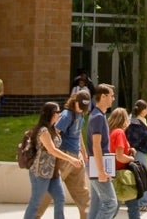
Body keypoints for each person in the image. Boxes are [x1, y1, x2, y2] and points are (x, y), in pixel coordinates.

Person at [36, 90, 92, 219]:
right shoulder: (67, 115)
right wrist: (54, 152)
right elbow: (54, 132)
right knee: (51, 189)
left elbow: (78, 134)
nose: (82, 110)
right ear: (74, 102)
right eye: (81, 107)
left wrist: (83, 151)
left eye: (85, 108)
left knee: (82, 192)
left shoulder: (81, 114)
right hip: (65, 156)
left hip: (76, 157)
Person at [26, 102, 85, 219]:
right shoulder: (43, 131)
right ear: (51, 114)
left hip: (53, 172)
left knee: (60, 198)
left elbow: (76, 134)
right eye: (57, 112)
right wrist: (71, 159)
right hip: (40, 172)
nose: (60, 114)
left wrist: (81, 150)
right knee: (35, 202)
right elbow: (52, 150)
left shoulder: (53, 129)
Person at [87, 84, 118, 219]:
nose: (113, 98)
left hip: (96, 166)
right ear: (103, 96)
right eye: (111, 95)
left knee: (96, 204)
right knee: (111, 203)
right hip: (98, 167)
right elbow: (96, 145)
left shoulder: (98, 115)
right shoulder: (98, 117)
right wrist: (101, 171)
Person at [108, 108, 140, 219]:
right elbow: (120, 157)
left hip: (114, 173)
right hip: (122, 176)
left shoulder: (112, 132)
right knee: (132, 206)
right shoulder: (120, 132)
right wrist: (132, 159)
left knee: (116, 206)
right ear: (124, 119)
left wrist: (129, 149)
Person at [127, 100, 147, 212]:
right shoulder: (135, 121)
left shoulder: (141, 121)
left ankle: (142, 202)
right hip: (138, 152)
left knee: (142, 176)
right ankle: (143, 203)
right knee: (142, 177)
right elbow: (133, 137)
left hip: (142, 152)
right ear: (143, 110)